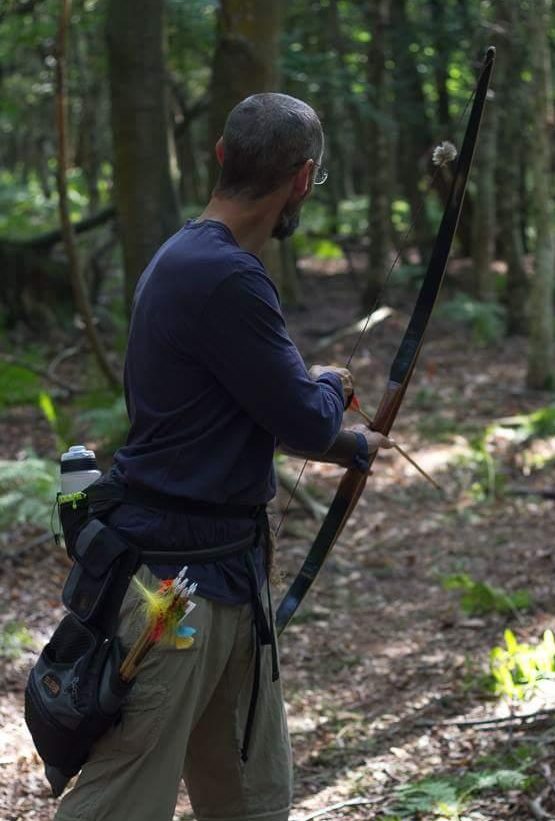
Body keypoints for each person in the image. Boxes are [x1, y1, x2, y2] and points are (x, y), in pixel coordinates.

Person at [54, 92, 391, 821]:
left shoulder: (186, 257)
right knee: (120, 801)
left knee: (250, 800)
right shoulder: (228, 276)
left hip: (225, 580)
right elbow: (302, 415)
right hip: (176, 592)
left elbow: (243, 412)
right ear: (300, 180)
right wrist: (329, 386)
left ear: (220, 156)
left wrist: (349, 444)